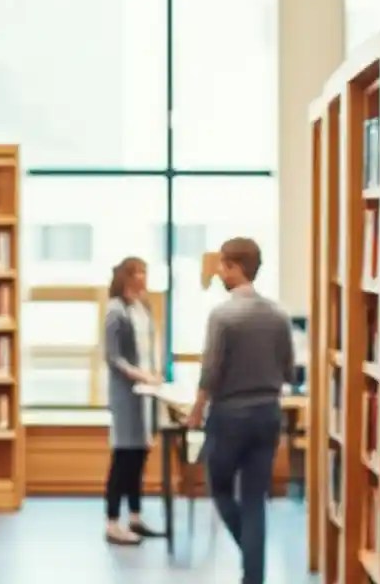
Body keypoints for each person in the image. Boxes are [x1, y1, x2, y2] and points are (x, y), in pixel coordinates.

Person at [187, 238, 294, 584]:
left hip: (230, 415)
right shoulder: (279, 315)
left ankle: (250, 557)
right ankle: (254, 576)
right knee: (254, 499)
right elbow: (290, 370)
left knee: (219, 489)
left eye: (222, 265)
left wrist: (196, 411)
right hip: (267, 414)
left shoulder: (223, 315)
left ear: (235, 267)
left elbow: (211, 371)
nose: (218, 271)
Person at [102, 256, 163, 545]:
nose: (144, 277)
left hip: (146, 393)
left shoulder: (143, 306)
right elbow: (113, 358)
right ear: (126, 276)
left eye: (145, 271)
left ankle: (135, 518)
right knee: (123, 458)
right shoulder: (115, 311)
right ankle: (112, 523)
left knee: (140, 457)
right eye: (139, 272)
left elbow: (150, 346)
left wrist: (155, 374)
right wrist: (140, 375)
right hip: (127, 395)